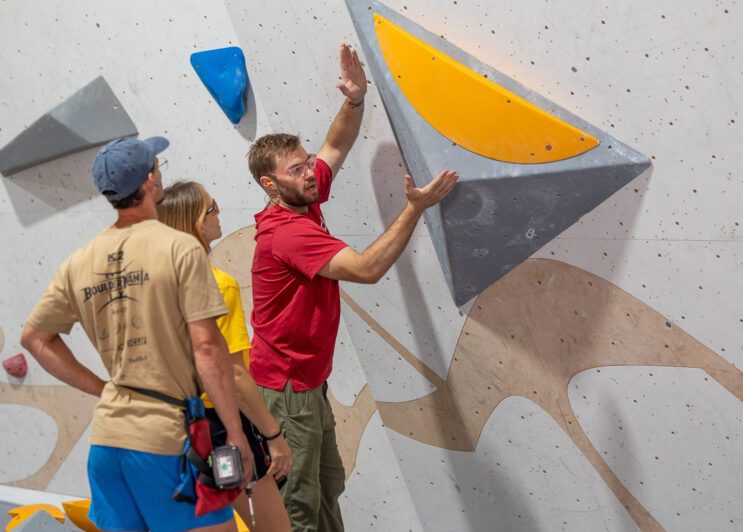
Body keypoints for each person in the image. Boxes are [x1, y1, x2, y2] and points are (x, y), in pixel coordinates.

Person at [245, 43, 459, 531]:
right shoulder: (287, 232)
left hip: (307, 382)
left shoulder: (303, 199)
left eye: (304, 163)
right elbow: (365, 269)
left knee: (327, 488)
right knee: (297, 506)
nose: (310, 173)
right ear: (269, 184)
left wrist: (355, 100)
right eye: (296, 169)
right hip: (285, 389)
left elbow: (335, 146)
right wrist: (414, 208)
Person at [20, 137, 253, 532]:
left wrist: (104, 388)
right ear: (151, 181)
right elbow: (208, 349)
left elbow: (35, 339)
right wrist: (235, 433)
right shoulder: (179, 248)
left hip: (108, 443)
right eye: (157, 166)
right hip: (164, 442)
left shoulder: (80, 260)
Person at [157, 180, 292, 532]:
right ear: (196, 223)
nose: (219, 215)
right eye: (212, 207)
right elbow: (233, 376)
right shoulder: (217, 284)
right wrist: (274, 436)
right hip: (219, 425)